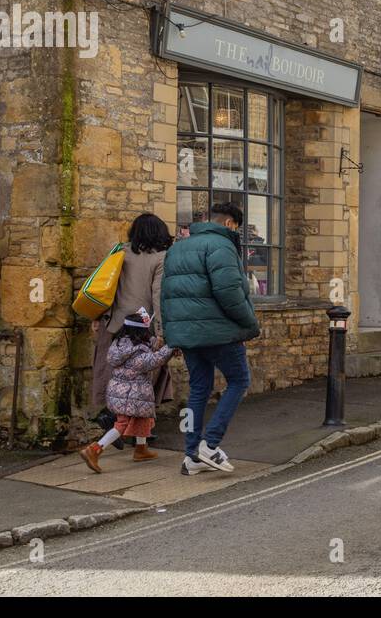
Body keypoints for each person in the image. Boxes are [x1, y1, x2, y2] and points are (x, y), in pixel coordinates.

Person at [162, 201, 261, 475]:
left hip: (188, 334)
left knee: (198, 390)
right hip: (220, 332)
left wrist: (172, 333)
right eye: (237, 228)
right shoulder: (222, 246)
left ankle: (192, 455)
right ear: (230, 223)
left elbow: (166, 294)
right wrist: (251, 325)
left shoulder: (177, 247)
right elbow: (229, 293)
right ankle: (210, 444)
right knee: (239, 380)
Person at [91, 213, 174, 447]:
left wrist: (97, 316)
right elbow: (159, 297)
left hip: (115, 324)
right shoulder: (161, 258)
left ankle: (125, 425)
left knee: (112, 375)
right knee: (144, 380)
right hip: (142, 328)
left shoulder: (121, 252)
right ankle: (130, 427)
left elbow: (104, 285)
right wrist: (161, 332)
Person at [80, 308, 174, 473]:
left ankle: (141, 449)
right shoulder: (137, 353)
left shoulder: (121, 344)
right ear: (141, 332)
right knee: (121, 425)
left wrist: (159, 342)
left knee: (143, 418)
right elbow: (154, 360)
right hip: (131, 395)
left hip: (120, 393)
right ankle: (94, 450)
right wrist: (171, 347)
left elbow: (149, 343)